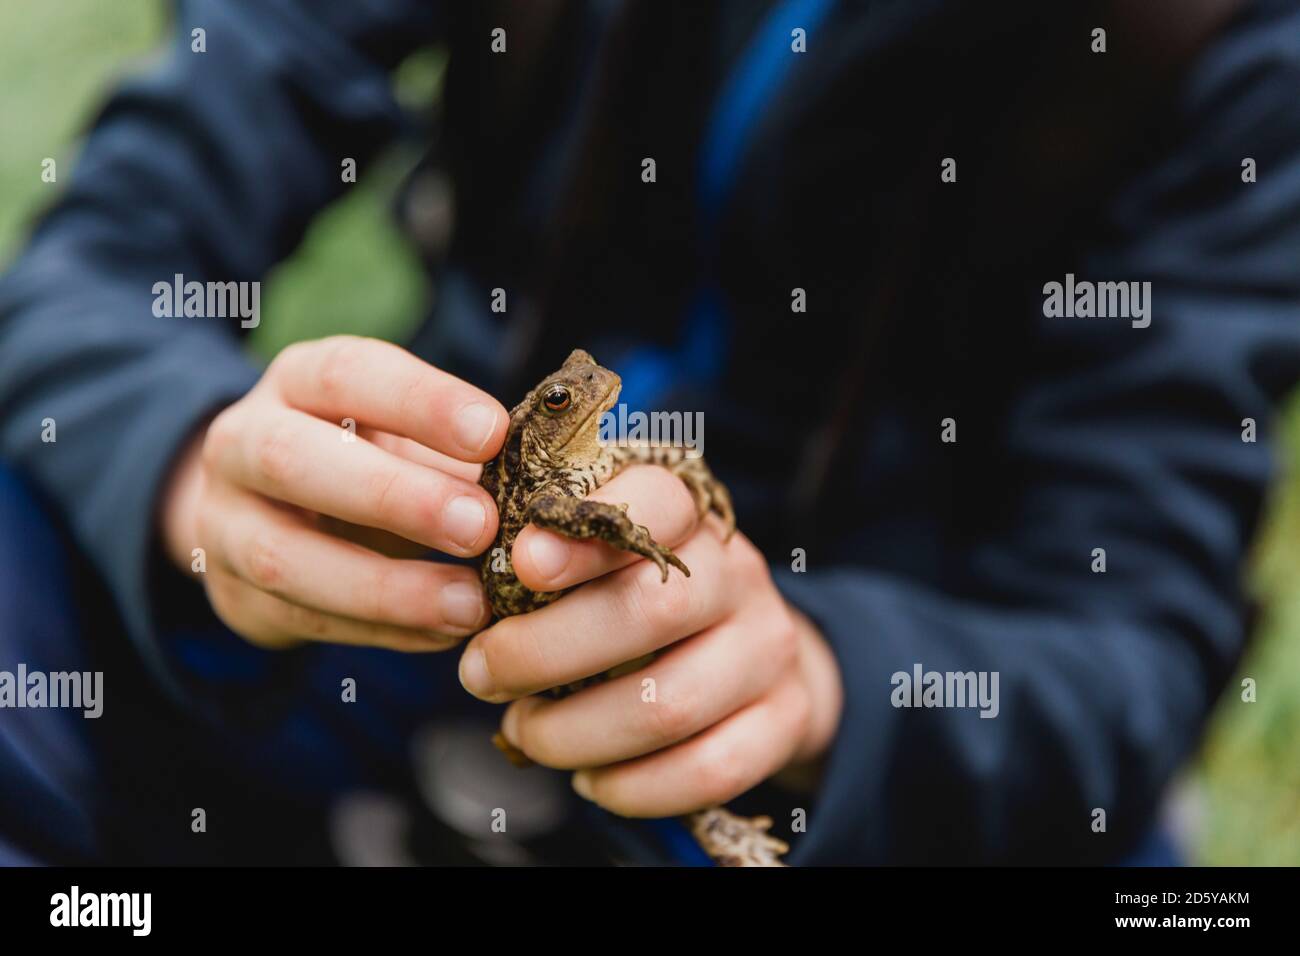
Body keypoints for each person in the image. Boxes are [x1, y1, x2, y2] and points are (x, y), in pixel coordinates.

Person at [2, 0, 1298, 865]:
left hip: (870, 734)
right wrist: (191, 478)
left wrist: (817, 687)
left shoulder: (1228, 50)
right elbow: (93, 270)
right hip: (420, 616)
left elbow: (1135, 638)